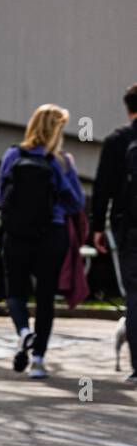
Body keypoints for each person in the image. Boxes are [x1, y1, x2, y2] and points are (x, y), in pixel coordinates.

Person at [0, 104, 85, 380]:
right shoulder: (61, 161)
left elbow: (1, 197)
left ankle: (24, 332)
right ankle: (38, 361)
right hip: (51, 235)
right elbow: (77, 202)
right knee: (45, 297)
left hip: (17, 235)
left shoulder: (13, 155)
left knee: (15, 291)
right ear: (57, 131)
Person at [91, 83, 137, 384]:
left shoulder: (116, 141)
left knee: (134, 292)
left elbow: (102, 187)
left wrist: (97, 227)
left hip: (128, 227)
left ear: (128, 108)